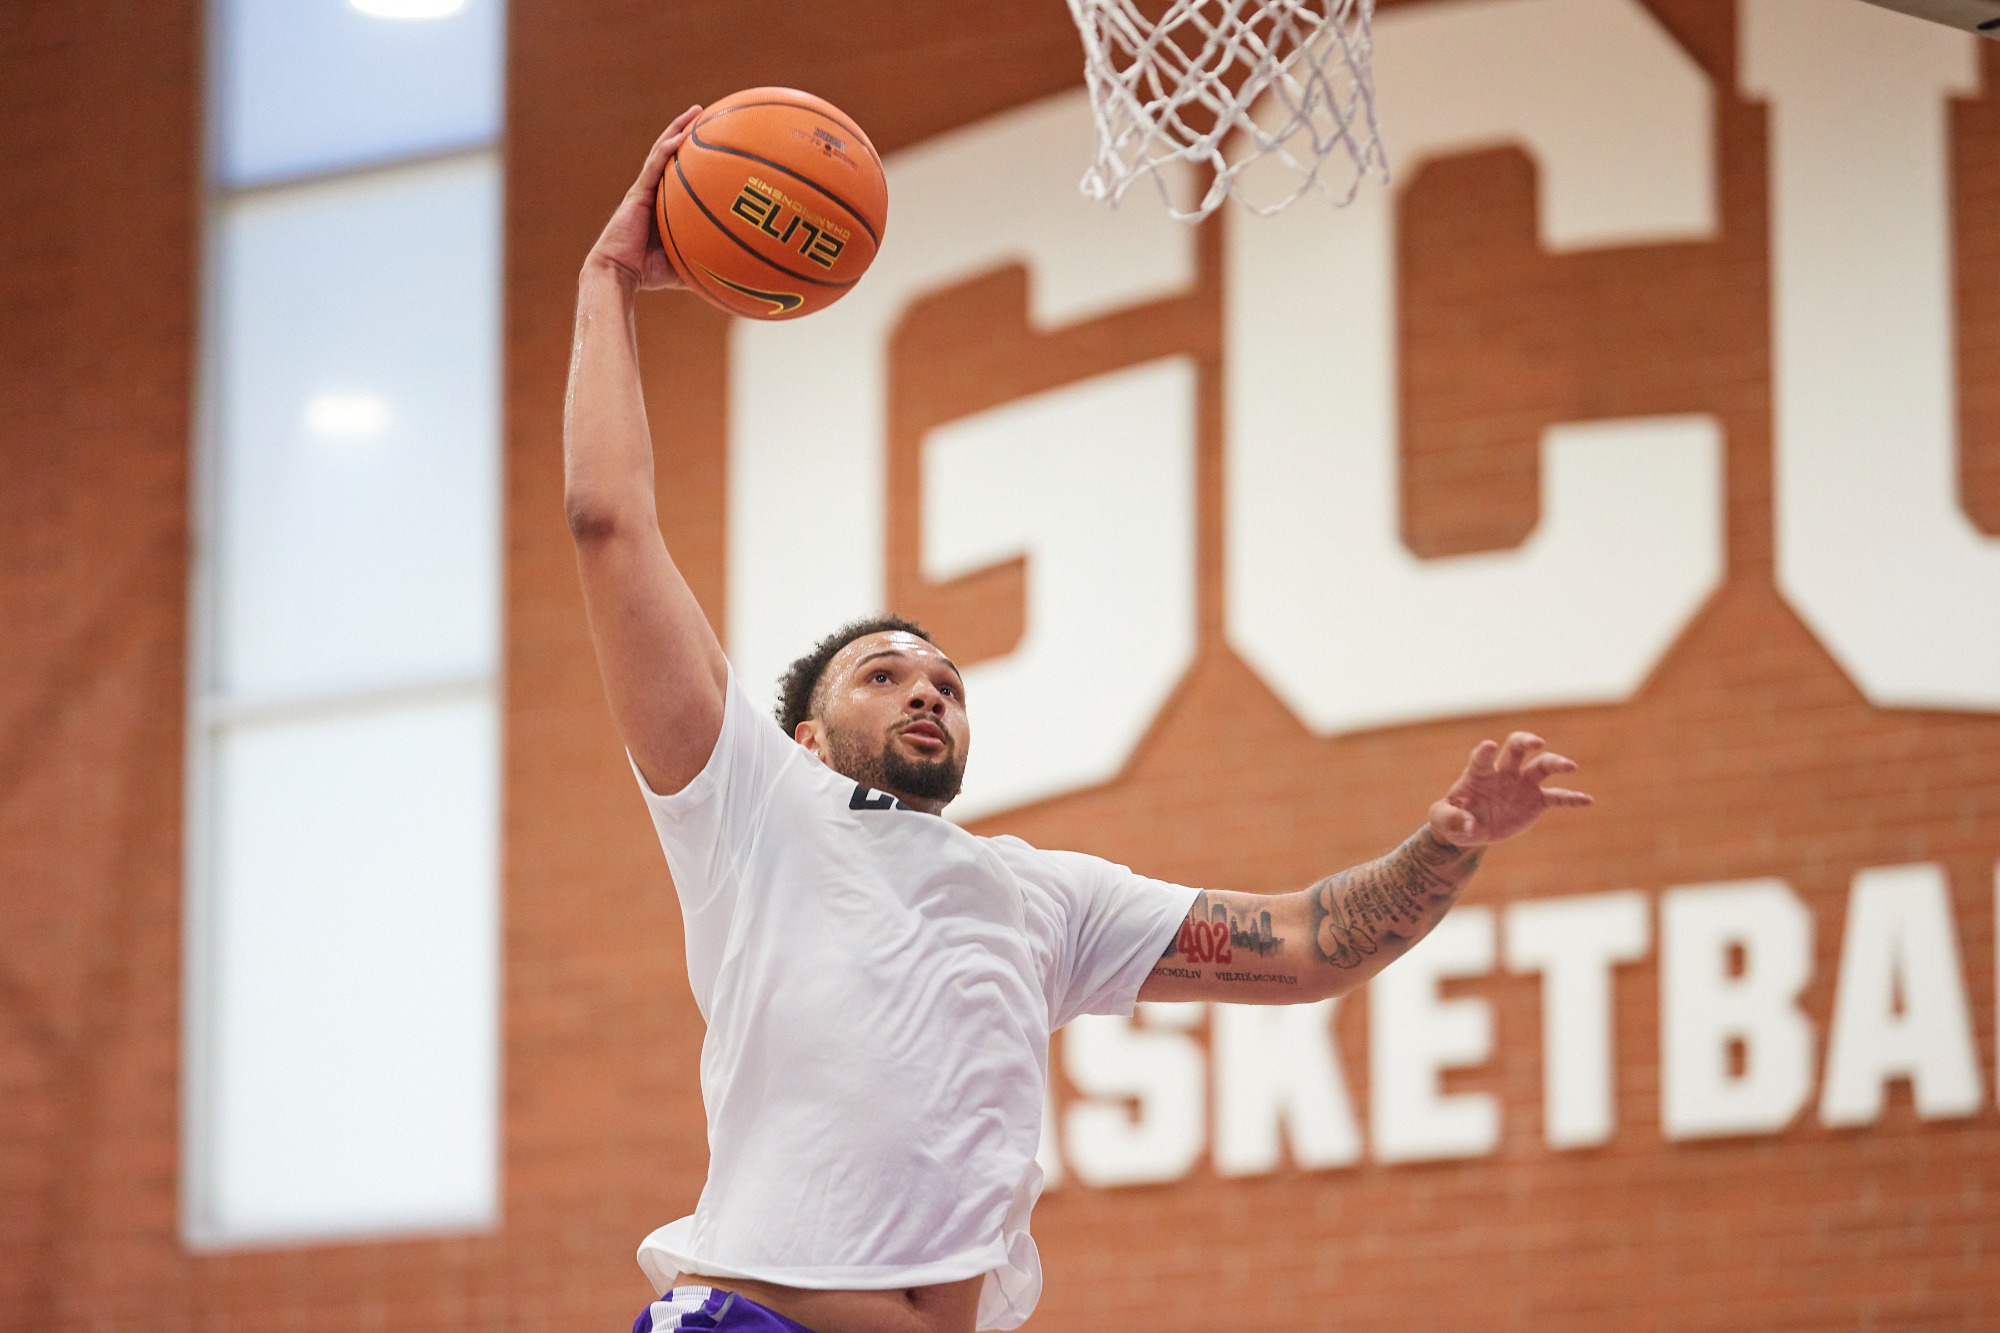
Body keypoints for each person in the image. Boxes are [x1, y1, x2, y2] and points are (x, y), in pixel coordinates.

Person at [565, 109, 1594, 1333]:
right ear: (803, 736)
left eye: (944, 679)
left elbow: (1307, 944)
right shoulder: (752, 813)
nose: (926, 690)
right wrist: (608, 280)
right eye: (883, 675)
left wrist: (1448, 842)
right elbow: (607, 523)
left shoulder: (1038, 898)